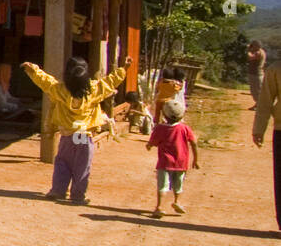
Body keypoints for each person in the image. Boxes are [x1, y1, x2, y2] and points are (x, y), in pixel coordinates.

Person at [22, 55, 130, 205]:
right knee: (82, 167)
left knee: (62, 163)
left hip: (68, 135)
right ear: (86, 74)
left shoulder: (59, 90)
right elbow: (111, 81)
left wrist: (33, 70)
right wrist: (123, 69)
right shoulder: (95, 89)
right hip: (85, 136)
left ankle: (58, 191)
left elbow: (45, 81)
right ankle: (78, 196)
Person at [145, 100, 199, 218]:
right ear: (182, 114)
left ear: (164, 114)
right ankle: (177, 202)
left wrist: (149, 146)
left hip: (165, 162)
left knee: (162, 186)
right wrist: (196, 159)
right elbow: (194, 143)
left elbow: (153, 142)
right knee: (178, 185)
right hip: (181, 162)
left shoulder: (160, 129)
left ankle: (159, 207)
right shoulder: (185, 128)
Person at [252, 60, 281, 232]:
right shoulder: (276, 69)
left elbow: (265, 101)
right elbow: (265, 100)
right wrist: (259, 129)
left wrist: (259, 129)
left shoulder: (276, 68)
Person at [247, 41, 267, 109]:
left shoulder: (258, 52)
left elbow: (250, 57)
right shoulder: (261, 51)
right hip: (256, 74)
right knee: (257, 90)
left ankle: (260, 105)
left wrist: (248, 51)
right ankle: (259, 104)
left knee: (256, 91)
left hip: (256, 74)